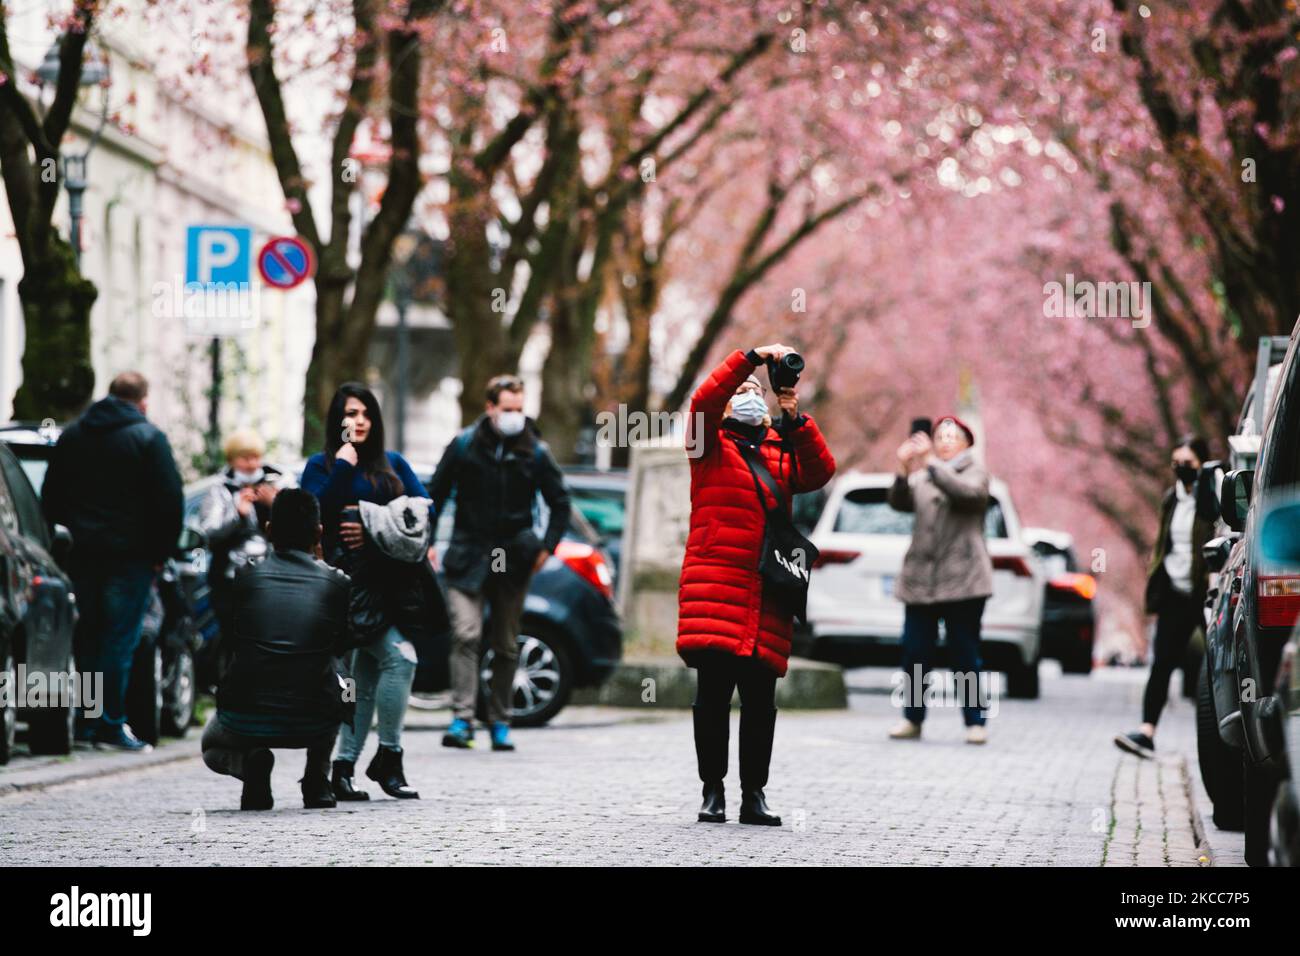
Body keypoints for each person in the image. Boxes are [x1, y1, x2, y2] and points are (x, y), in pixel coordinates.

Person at [676, 344, 836, 825]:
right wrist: (752, 357)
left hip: (768, 592)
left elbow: (821, 472)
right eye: (741, 391)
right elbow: (702, 400)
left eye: (756, 392)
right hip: (717, 589)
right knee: (712, 699)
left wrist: (796, 418)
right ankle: (712, 791)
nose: (749, 395)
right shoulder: (707, 447)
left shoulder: (781, 451)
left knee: (761, 704)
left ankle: (754, 795)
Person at [301, 383, 431, 800]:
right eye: (350, 413)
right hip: (341, 590)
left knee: (378, 670)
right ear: (337, 419)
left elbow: (425, 511)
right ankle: (374, 761)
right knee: (375, 671)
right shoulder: (321, 466)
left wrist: (374, 524)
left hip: (388, 587)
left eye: (365, 414)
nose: (358, 421)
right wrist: (341, 467)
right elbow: (312, 514)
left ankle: (356, 765)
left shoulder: (392, 465)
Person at [41, 371, 183, 751]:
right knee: (119, 641)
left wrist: (68, 535)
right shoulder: (148, 438)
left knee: (87, 638)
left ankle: (88, 724)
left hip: (83, 554)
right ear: (143, 402)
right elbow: (169, 501)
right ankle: (109, 724)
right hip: (131, 557)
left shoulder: (73, 435)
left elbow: (50, 496)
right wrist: (159, 554)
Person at [427, 374, 570, 753]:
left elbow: (560, 503)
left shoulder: (535, 451)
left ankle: (500, 721)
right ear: (490, 408)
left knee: (506, 644)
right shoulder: (463, 445)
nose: (515, 417)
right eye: (508, 409)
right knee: (466, 634)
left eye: (520, 410)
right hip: (467, 552)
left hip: (512, 556)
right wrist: (426, 541)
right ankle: (462, 719)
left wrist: (546, 548)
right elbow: (435, 494)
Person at [202, 489, 353, 811]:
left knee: (210, 747)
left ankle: (251, 763)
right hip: (315, 716)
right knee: (344, 675)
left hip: (245, 714)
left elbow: (231, 637)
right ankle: (317, 778)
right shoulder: (338, 583)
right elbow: (340, 644)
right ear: (319, 533)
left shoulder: (245, 578)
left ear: (269, 530)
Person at [886, 415, 993, 744]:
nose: (945, 441)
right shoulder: (923, 476)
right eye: (940, 435)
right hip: (921, 579)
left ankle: (975, 721)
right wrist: (904, 468)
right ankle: (912, 718)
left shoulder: (975, 472)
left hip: (964, 579)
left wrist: (931, 462)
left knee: (965, 653)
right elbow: (898, 502)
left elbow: (968, 495)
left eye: (952, 436)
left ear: (967, 443)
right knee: (915, 653)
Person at [1115, 435, 1216, 759]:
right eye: (1176, 464)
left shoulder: (1212, 498)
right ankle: (1146, 732)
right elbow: (1163, 544)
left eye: (1188, 464)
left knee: (1216, 661)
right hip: (1174, 593)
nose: (1181, 470)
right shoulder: (1171, 500)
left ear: (1202, 465)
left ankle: (1224, 738)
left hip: (1204, 593)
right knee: (1162, 664)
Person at [197, 428, 289, 646]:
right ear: (231, 460)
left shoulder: (279, 483)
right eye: (245, 458)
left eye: (256, 457)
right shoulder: (219, 490)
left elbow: (302, 526)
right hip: (230, 580)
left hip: (274, 577)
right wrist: (236, 513)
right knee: (235, 643)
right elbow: (207, 532)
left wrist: (276, 505)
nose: (252, 464)